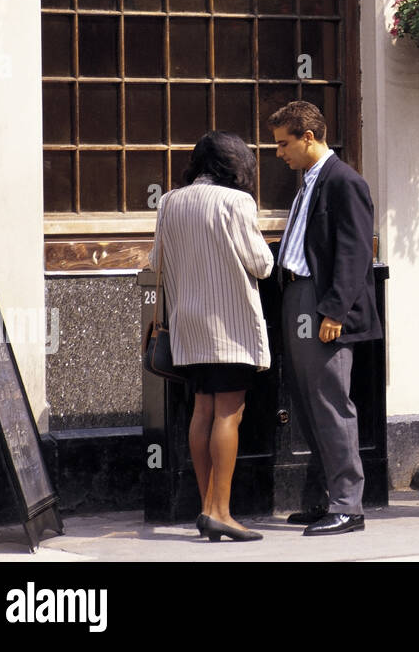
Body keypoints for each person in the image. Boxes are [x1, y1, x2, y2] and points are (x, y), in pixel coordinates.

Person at [153, 131, 273, 543]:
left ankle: (208, 507)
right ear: (235, 164)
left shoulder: (170, 200)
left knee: (201, 410)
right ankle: (219, 511)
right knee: (229, 412)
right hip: (229, 324)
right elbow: (261, 264)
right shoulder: (236, 201)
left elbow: (157, 261)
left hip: (188, 325)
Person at [268, 100, 380, 536]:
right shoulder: (310, 180)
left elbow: (355, 252)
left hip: (320, 301)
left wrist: (334, 309)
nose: (279, 153)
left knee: (331, 403)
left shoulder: (344, 181)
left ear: (309, 137)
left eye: (284, 143)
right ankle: (324, 498)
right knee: (308, 403)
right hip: (297, 293)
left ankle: (348, 506)